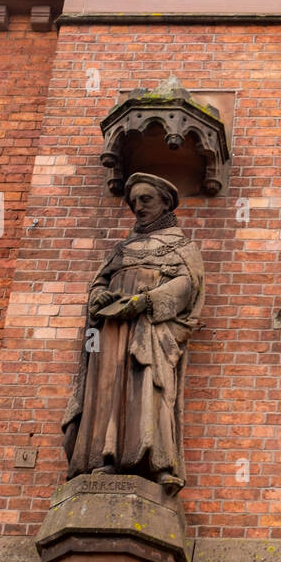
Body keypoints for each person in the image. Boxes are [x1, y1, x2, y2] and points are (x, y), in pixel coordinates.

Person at [62, 173, 204, 492]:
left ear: (165, 203)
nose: (138, 207)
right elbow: (99, 282)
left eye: (146, 200)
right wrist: (99, 295)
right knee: (109, 392)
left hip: (151, 330)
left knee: (151, 390)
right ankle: (104, 457)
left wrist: (147, 301)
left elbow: (187, 286)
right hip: (112, 332)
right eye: (134, 201)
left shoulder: (181, 245)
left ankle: (160, 464)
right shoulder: (123, 248)